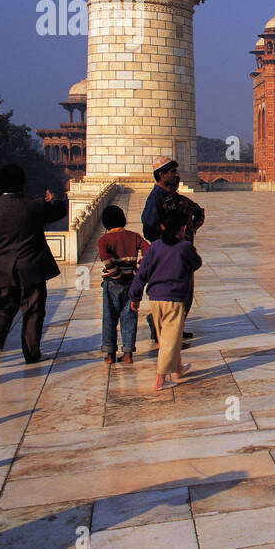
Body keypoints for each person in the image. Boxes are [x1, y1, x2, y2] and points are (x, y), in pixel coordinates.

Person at [0, 165, 67, 365]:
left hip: (3, 268)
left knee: (2, 308)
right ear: (22, 182)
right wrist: (54, 198)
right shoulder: (35, 206)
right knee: (33, 310)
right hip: (32, 266)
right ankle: (32, 353)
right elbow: (60, 212)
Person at [128, 207, 201, 390]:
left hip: (155, 299)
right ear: (183, 228)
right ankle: (160, 380)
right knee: (170, 339)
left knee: (167, 337)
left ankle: (177, 369)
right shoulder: (184, 247)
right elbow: (196, 263)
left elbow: (142, 273)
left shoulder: (155, 247)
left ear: (162, 226)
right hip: (174, 299)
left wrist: (135, 296)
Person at [140, 157, 204, 341]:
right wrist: (169, 239)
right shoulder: (156, 198)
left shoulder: (172, 196)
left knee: (184, 294)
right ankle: (167, 336)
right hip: (168, 255)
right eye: (172, 173)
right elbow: (149, 229)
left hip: (180, 252)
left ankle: (170, 328)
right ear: (161, 175)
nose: (176, 176)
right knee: (173, 296)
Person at [96, 204, 148, 365]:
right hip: (131, 283)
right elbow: (148, 251)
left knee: (109, 318)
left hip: (112, 283)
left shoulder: (104, 240)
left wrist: (117, 275)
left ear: (105, 223)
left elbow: (106, 258)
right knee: (129, 317)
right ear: (123, 220)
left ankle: (110, 354)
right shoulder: (134, 236)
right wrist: (135, 272)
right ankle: (128, 354)